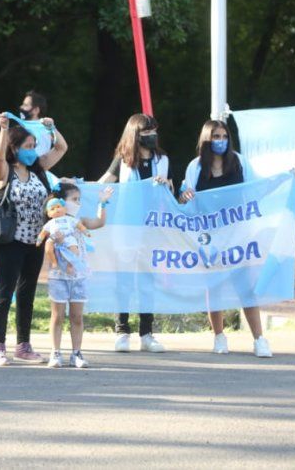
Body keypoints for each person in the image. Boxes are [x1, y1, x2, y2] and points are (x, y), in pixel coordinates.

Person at [179, 120, 272, 358]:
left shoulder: (239, 162)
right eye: (216, 137)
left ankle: (259, 339)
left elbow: (258, 186)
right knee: (215, 287)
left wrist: (280, 181)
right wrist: (185, 196)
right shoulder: (196, 167)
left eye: (224, 136)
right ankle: (219, 336)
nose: (220, 141)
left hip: (238, 234)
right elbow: (186, 198)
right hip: (209, 236)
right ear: (206, 140)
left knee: (246, 287)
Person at [0, 111, 68, 366]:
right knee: (4, 293)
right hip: (9, 241)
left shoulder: (38, 170)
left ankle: (23, 345)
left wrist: (52, 128)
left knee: (27, 294)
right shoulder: (4, 173)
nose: (32, 151)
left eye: (34, 146)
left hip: (35, 241)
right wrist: (3, 130)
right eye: (27, 146)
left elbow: (62, 147)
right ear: (15, 148)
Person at [98, 113, 173, 353]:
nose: (151, 135)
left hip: (152, 227)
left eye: (153, 130)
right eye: (146, 132)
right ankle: (122, 331)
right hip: (126, 228)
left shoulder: (162, 160)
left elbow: (172, 191)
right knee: (125, 279)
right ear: (135, 135)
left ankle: (147, 333)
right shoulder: (123, 160)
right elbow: (104, 182)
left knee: (148, 279)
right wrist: (80, 188)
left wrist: (168, 185)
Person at [40, 182, 112, 368]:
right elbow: (45, 243)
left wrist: (102, 203)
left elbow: (100, 222)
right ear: (60, 201)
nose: (77, 203)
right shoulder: (52, 224)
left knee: (77, 316)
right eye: (74, 199)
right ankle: (55, 352)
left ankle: (76, 353)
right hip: (58, 275)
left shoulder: (80, 222)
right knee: (57, 316)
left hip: (78, 275)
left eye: (79, 199)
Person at [18, 90, 54, 156]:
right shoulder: (24, 127)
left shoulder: (42, 129)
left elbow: (38, 156)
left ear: (36, 110)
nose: (21, 107)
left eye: (25, 105)